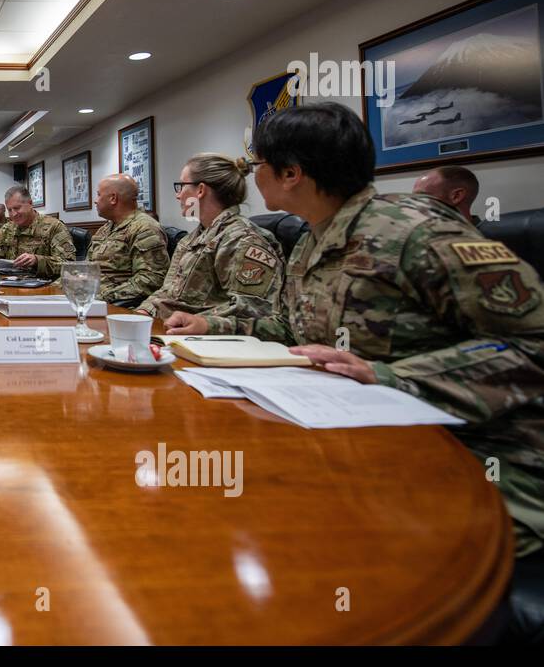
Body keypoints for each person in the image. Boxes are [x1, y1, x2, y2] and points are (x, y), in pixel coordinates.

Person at [165, 103, 544, 570]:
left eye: (257, 165)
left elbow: (531, 345)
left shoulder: (418, 232)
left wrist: (391, 376)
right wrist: (211, 324)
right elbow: (288, 327)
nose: (250, 178)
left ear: (291, 173)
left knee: (331, 544)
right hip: (358, 437)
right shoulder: (310, 240)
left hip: (481, 455)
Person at [137, 153, 284, 324]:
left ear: (200, 190)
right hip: (170, 331)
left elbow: (251, 311)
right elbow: (167, 292)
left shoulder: (242, 239)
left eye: (181, 186)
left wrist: (199, 323)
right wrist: (143, 312)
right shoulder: (191, 239)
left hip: (207, 340)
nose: (178, 195)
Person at [84, 174, 168, 304]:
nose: (95, 200)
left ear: (113, 198)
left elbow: (151, 279)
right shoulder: (105, 229)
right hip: (89, 300)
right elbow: (86, 268)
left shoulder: (145, 228)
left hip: (118, 306)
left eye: (99, 195)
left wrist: (102, 297)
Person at [0, 185, 74, 278]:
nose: (13, 214)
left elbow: (69, 265)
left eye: (17, 208)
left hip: (44, 286)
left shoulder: (54, 227)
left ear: (30, 203)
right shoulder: (7, 229)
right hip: (10, 284)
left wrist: (37, 260)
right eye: (10, 210)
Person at [413, 165, 480, 226]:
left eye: (421, 196)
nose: (413, 203)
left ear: (456, 196)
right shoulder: (425, 234)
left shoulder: (484, 237)